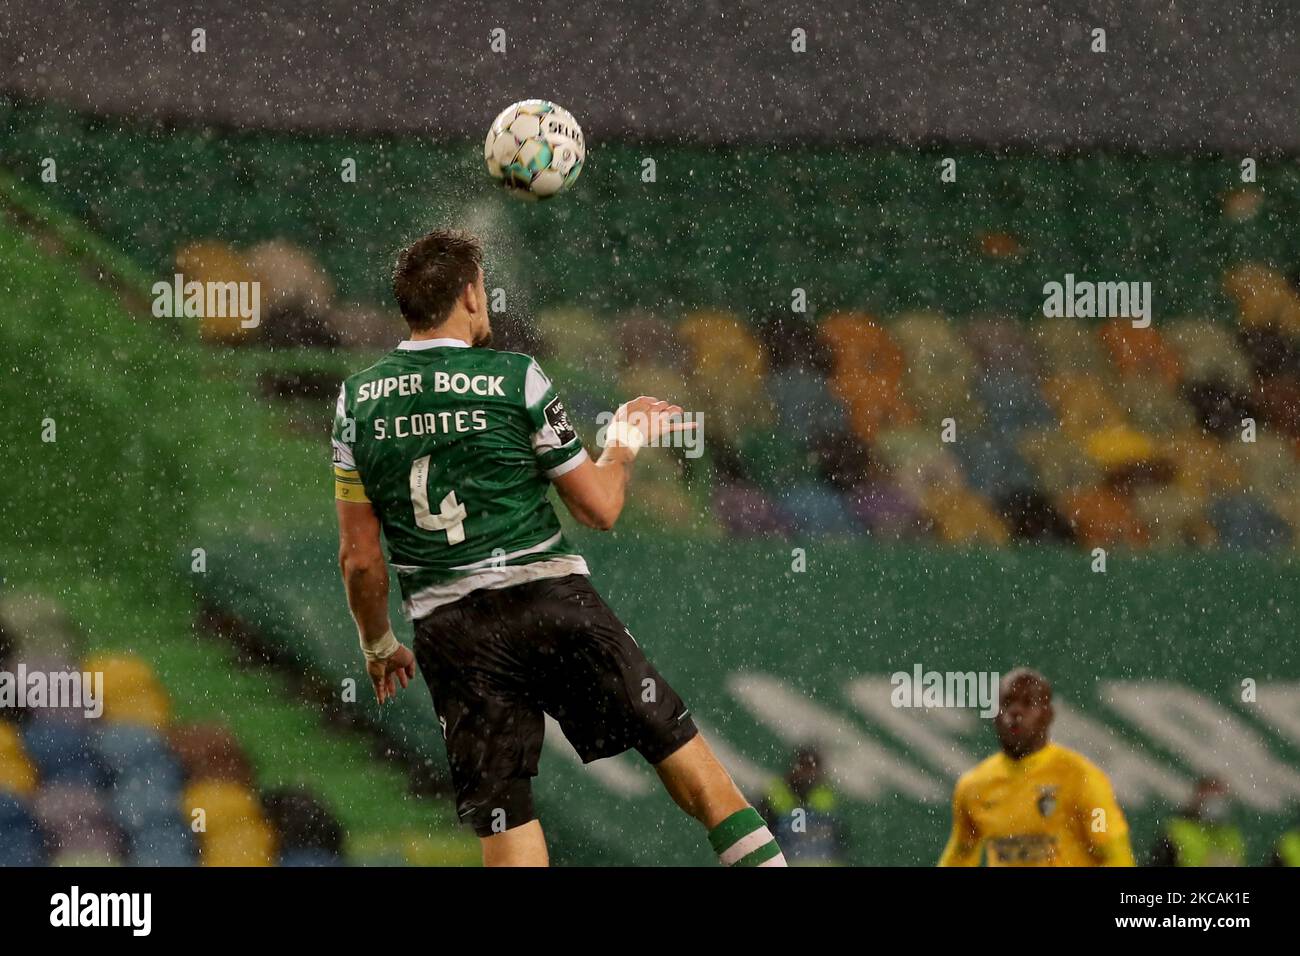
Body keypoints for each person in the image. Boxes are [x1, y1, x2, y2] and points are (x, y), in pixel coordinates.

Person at [332, 229, 785, 867]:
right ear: (469, 293)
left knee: (508, 821)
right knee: (694, 772)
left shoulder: (356, 403)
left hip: (453, 633)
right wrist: (624, 436)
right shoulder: (516, 377)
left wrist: (378, 644)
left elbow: (359, 558)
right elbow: (598, 507)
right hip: (549, 600)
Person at [938, 668, 1134, 866]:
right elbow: (960, 856)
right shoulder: (974, 787)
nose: (1015, 712)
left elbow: (1115, 854)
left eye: (1027, 703)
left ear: (1048, 715)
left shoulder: (1082, 778)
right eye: (1007, 703)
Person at [758, 744, 846, 865]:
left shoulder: (827, 796)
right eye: (805, 766)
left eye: (812, 767)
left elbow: (840, 839)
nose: (808, 772)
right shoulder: (776, 793)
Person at [1148, 777, 1245, 867]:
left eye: (1219, 797)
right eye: (1211, 796)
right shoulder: (1178, 833)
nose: (1216, 802)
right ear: (1198, 798)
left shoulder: (1232, 838)